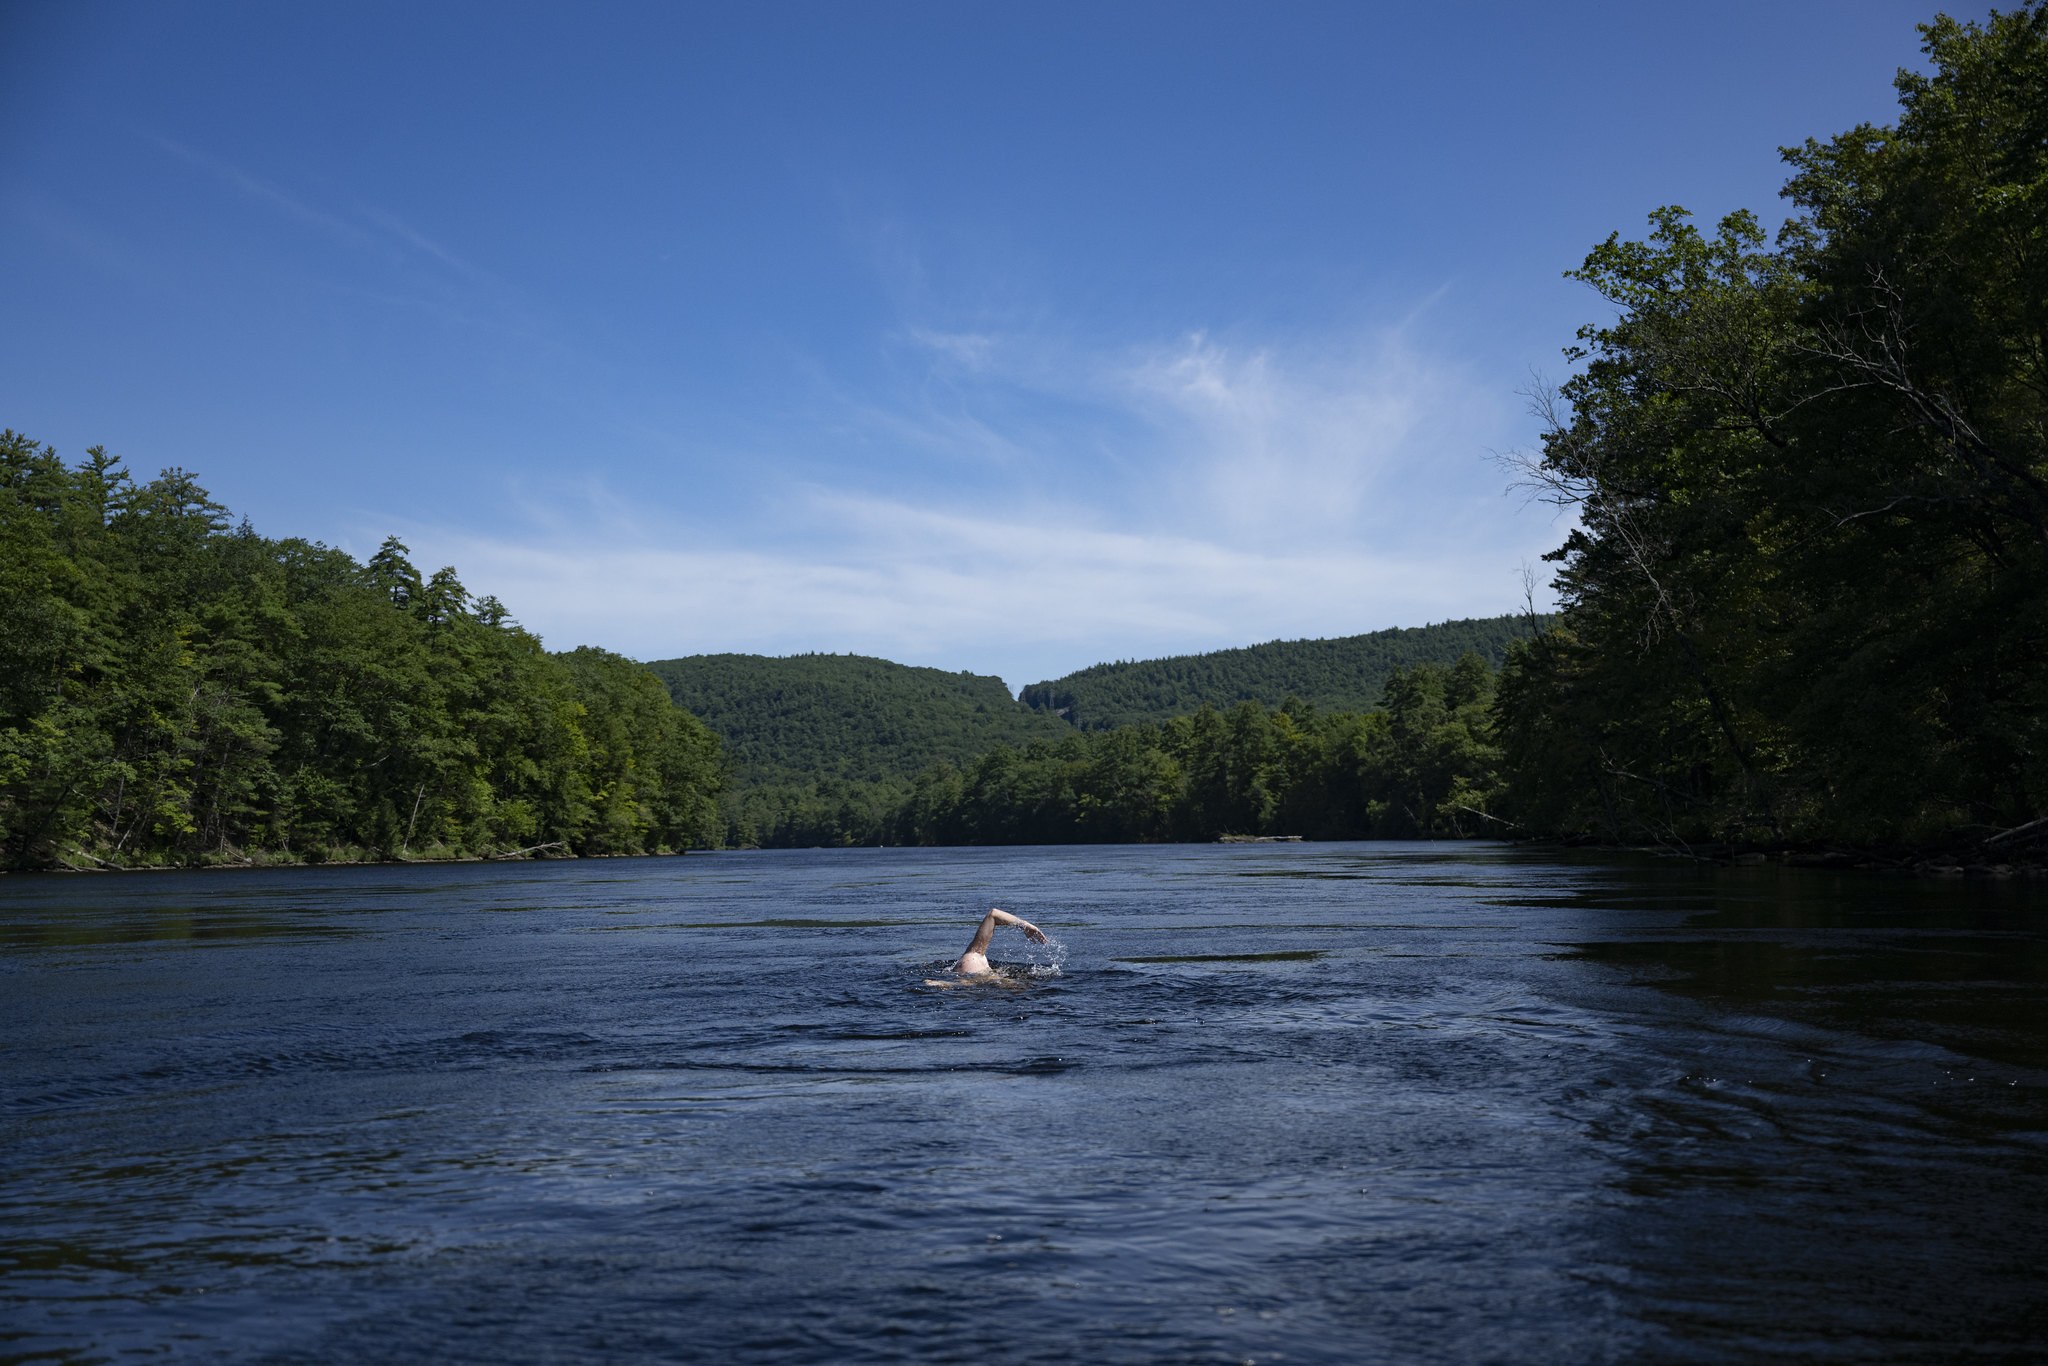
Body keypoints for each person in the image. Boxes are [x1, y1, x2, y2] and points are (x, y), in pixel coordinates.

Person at [933, 907, 1046, 982]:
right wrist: (1024, 925)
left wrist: (1024, 925)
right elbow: (993, 914)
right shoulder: (975, 955)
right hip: (973, 973)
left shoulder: (973, 954)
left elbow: (993, 914)